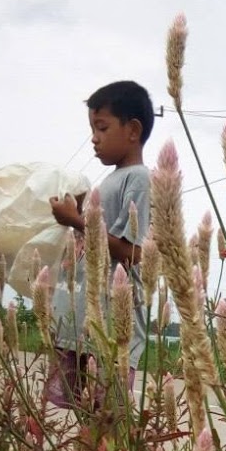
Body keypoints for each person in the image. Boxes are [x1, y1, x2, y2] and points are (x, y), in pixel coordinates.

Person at [45, 81, 154, 404]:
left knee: (107, 425)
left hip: (110, 333)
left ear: (133, 130)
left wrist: (77, 220)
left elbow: (129, 251)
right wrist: (77, 212)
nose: (94, 137)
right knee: (80, 425)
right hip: (77, 326)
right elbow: (96, 234)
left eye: (102, 127)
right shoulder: (109, 180)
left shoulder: (139, 179)